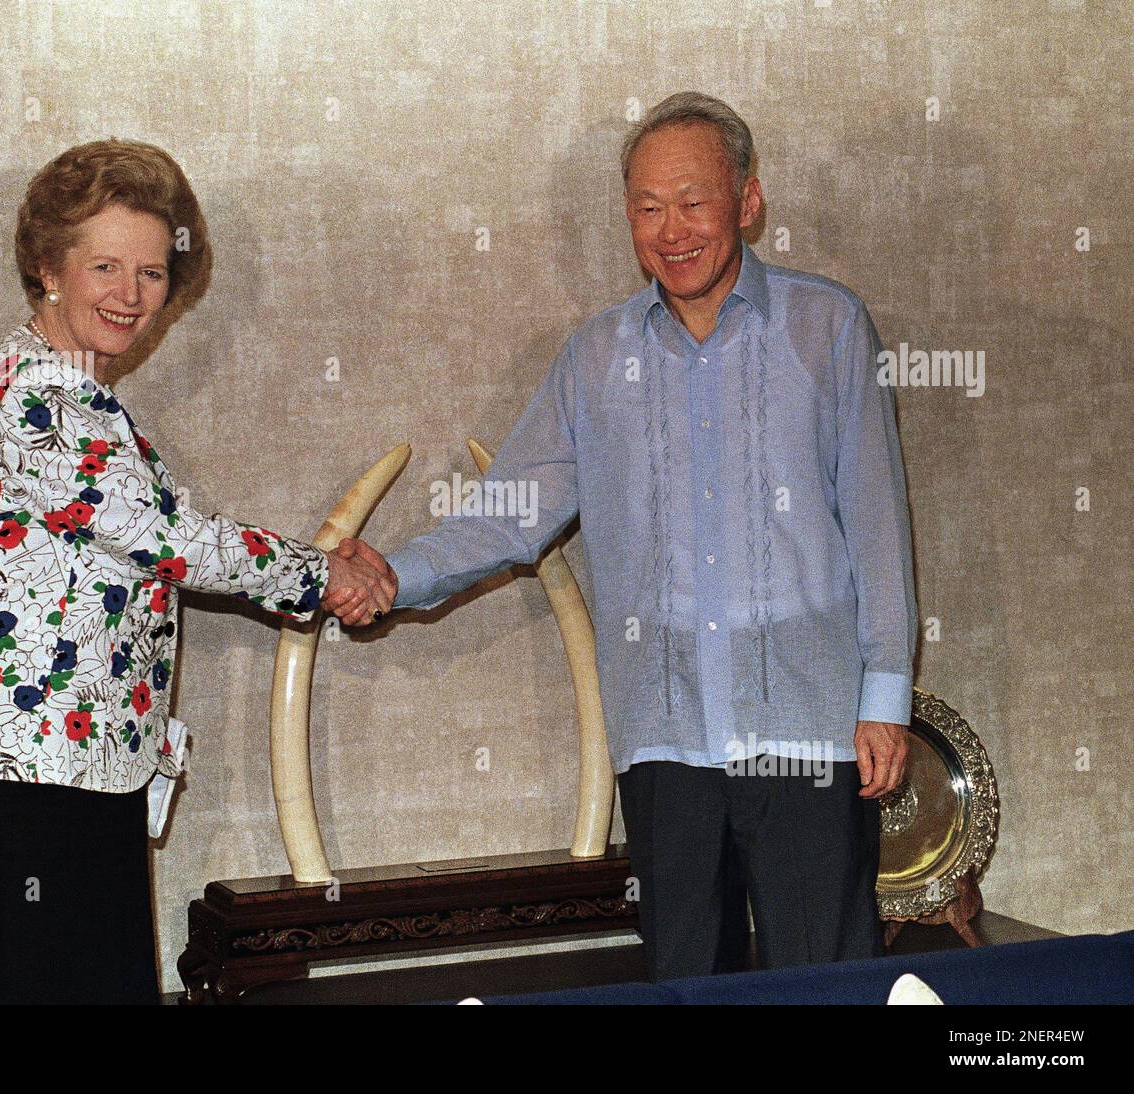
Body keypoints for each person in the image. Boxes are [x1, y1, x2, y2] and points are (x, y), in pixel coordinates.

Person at [337, 92, 916, 980]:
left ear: (748, 202)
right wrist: (393, 575)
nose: (671, 228)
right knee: (685, 985)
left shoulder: (826, 326)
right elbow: (512, 511)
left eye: (694, 201)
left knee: (826, 985)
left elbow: (876, 518)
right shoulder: (595, 357)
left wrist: (883, 698)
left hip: (808, 728)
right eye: (647, 207)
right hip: (662, 736)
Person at [0, 138, 394, 1005]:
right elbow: (171, 540)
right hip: (11, 786)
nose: (130, 295)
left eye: (153, 273)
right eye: (106, 267)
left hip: (66, 774)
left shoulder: (76, 393)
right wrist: (321, 571)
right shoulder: (35, 394)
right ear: (47, 266)